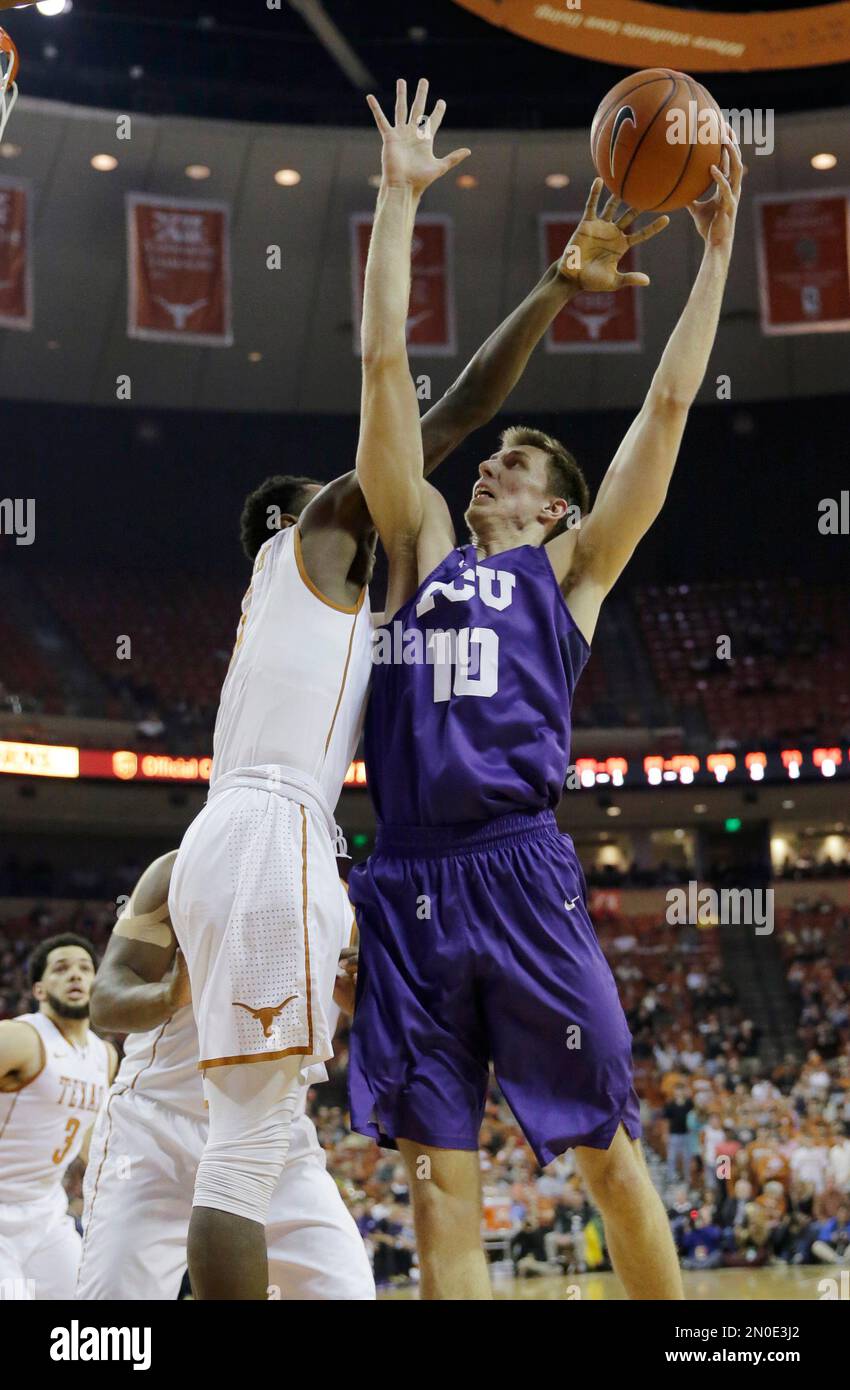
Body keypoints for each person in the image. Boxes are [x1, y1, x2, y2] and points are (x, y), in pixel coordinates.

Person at [167, 89, 642, 1298]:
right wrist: (410, 206)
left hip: (244, 838)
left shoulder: (289, 591)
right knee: (244, 1147)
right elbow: (455, 396)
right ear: (311, 513)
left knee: (261, 1138)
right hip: (285, 831)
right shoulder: (333, 531)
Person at [348, 76, 743, 1299]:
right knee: (433, 1181)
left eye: (511, 462)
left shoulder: (567, 573)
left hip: (519, 869)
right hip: (406, 872)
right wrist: (398, 199)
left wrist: (717, 251)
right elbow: (382, 372)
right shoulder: (413, 542)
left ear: (551, 506)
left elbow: (669, 408)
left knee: (605, 1155)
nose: (489, 466)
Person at [76, 853, 374, 1300]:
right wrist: (167, 995)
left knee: (345, 1291)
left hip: (275, 1135)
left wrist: (365, 1005)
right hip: (156, 1132)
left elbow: (383, 1025)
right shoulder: (183, 867)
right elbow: (104, 1002)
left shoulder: (342, 900)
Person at [0, 936, 117, 1299]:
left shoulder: (104, 1055)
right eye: (61, 969)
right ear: (38, 988)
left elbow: (87, 1135)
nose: (75, 976)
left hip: (47, 1212)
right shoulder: (21, 1037)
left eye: (85, 968)